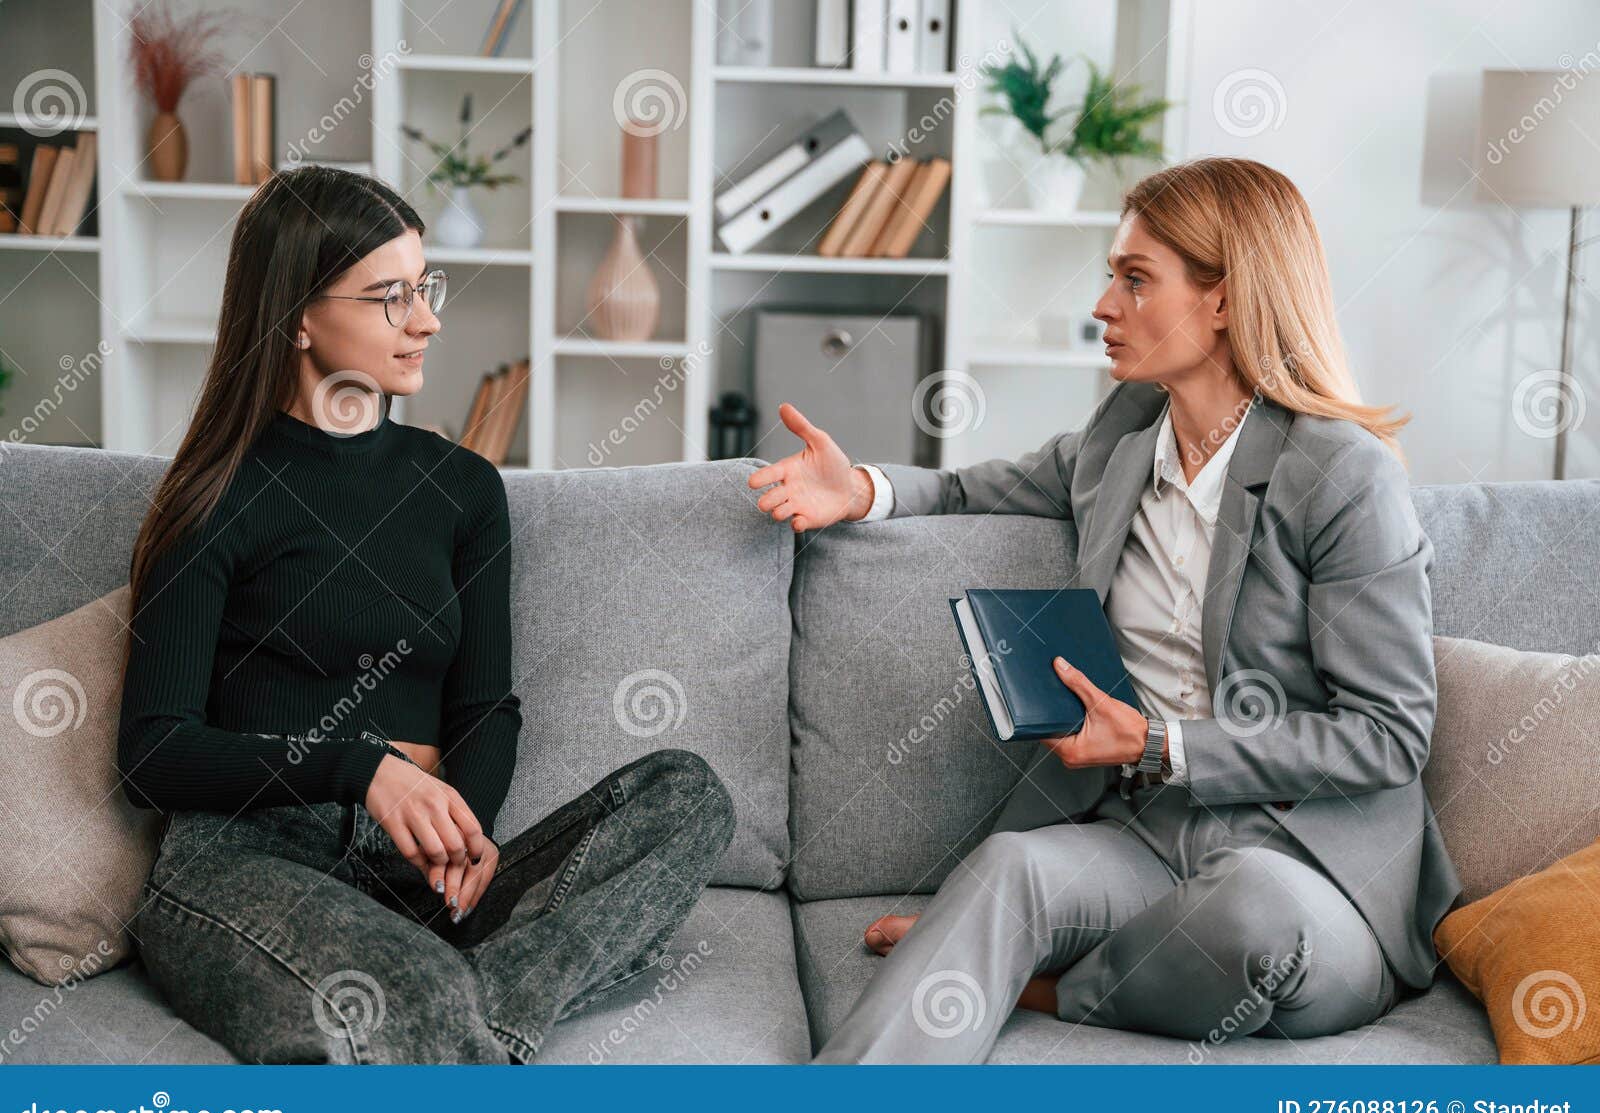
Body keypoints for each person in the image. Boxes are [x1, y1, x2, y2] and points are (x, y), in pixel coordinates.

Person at [748, 157, 1461, 1063]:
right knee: (1009, 870)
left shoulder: (1340, 475)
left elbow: (1390, 734)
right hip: (1148, 840)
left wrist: (1163, 744)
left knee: (1254, 906)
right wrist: (860, 488)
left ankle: (1057, 988)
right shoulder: (1123, 435)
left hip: (1309, 869)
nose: (1102, 305)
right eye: (1110, 276)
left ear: (1226, 300)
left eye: (1134, 279)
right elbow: (978, 485)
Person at [119, 165, 734, 1064]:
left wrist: (462, 827)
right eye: (390, 298)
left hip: (418, 876)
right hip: (249, 864)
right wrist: (359, 767)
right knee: (414, 983)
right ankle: (447, 1015)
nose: (429, 321)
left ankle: (444, 1018)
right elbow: (152, 751)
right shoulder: (217, 496)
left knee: (685, 795)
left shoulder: (462, 489)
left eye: (425, 288)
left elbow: (486, 707)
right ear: (296, 315)